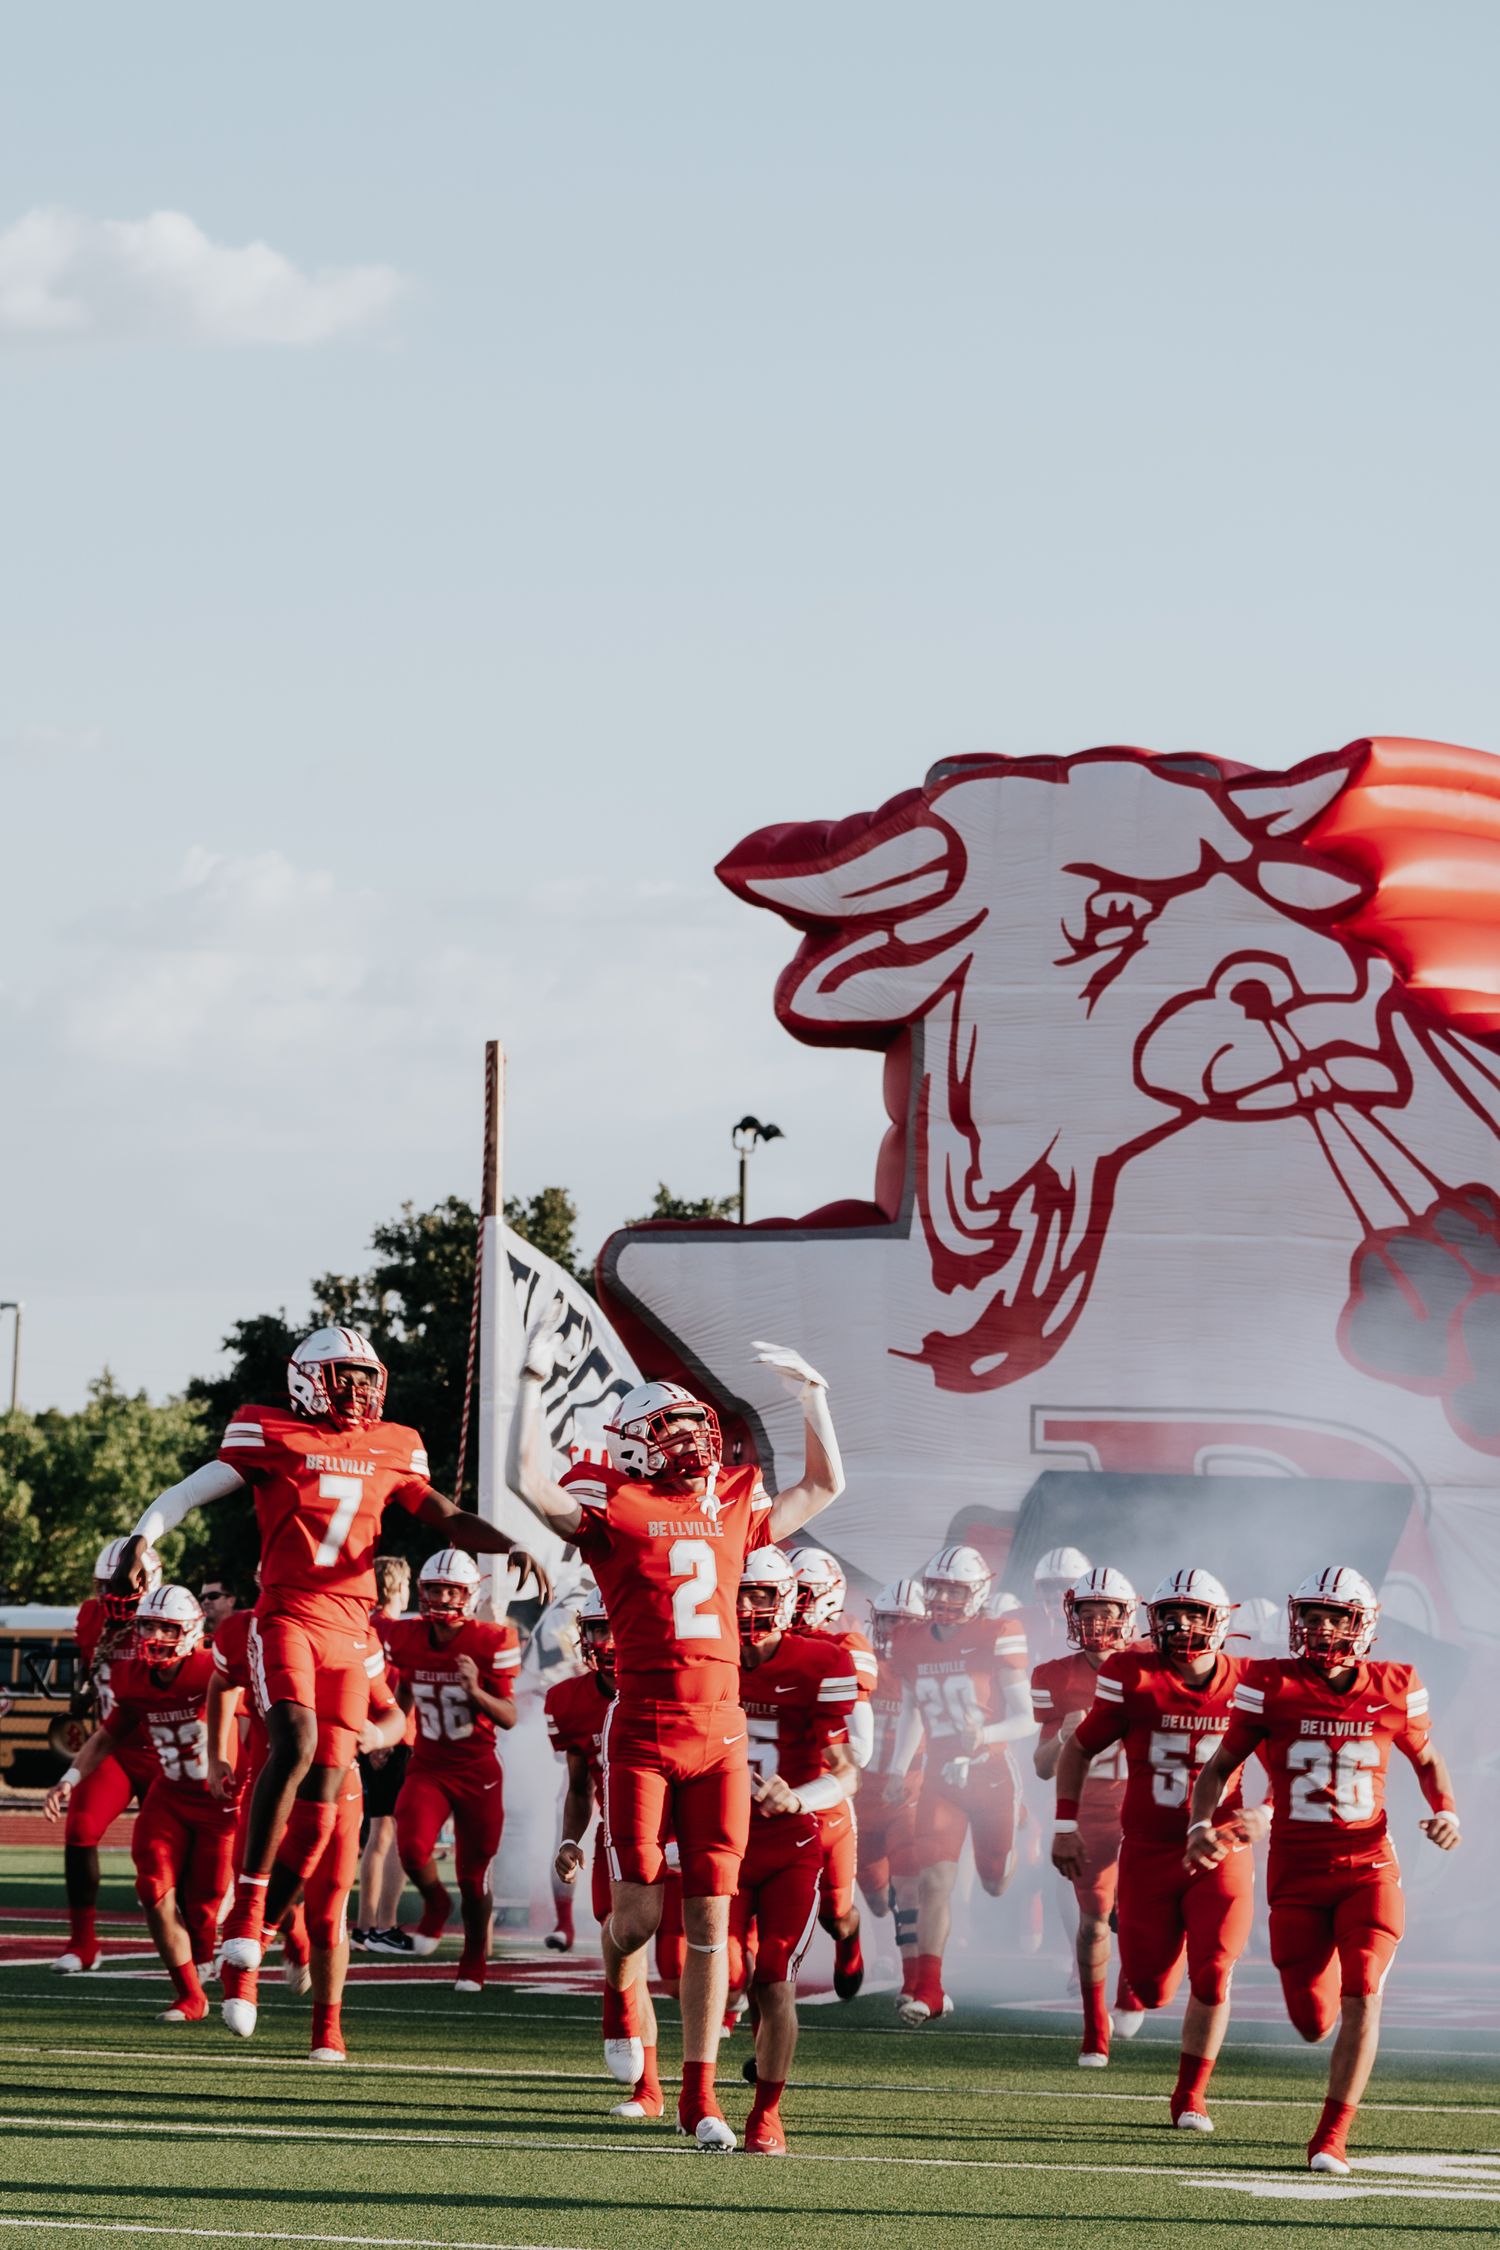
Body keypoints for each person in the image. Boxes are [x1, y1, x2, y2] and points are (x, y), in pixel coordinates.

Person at [109, 1324, 547, 2038]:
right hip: (288, 1612)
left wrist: (510, 1543)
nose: (363, 1390)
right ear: (309, 1379)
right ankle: (250, 1910)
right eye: (349, 1375)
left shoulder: (393, 1445)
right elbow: (188, 1492)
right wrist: (142, 1536)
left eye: (370, 1377)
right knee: (296, 1738)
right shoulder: (270, 1431)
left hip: (351, 1627)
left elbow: (445, 1515)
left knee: (322, 1804)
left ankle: (260, 1934)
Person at [509, 1311, 843, 2152]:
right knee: (635, 1916)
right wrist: (530, 1384)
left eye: (695, 1425)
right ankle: (618, 1987)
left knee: (709, 1925)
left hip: (721, 1730)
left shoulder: (730, 1500)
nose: (691, 1441)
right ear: (631, 1445)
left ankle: (700, 2096)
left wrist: (814, 1400)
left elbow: (823, 1487)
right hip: (645, 1728)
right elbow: (527, 1483)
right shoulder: (614, 1502)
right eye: (669, 1429)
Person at [1188, 1564, 1461, 2175]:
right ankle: (1331, 1975)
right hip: (1297, 1874)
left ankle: (1331, 2137)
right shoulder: (1269, 1683)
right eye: (1312, 1616)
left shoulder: (1395, 1684)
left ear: (1361, 1625)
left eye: (1335, 1618)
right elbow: (1218, 1767)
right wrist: (1200, 1825)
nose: (1321, 1628)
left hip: (1369, 1865)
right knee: (1313, 2021)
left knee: (1364, 1989)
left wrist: (1446, 1812)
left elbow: (1428, 1760)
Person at [1054, 1566, 1263, 2129]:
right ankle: (1152, 1967)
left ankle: (1190, 2095)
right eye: (1171, 1614)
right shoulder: (1132, 1674)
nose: (1182, 1624)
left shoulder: (1249, 1680)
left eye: (1194, 1613)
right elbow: (1078, 1749)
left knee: (1214, 1970)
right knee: (1149, 1985)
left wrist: (1264, 1812)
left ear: (1220, 1622)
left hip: (1220, 1847)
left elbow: (1287, 1759)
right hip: (1148, 1849)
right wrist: (1064, 1823)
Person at [46, 1586, 238, 2025]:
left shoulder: (212, 1670)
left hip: (219, 1801)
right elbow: (108, 1734)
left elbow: (262, 1721)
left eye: (166, 1628)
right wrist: (70, 1779)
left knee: (205, 1907)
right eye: (148, 1626)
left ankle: (289, 1936)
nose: (155, 1636)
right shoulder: (132, 1675)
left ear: (191, 1631)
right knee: (152, 1887)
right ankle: (190, 1995)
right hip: (169, 1795)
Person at [732, 1548, 859, 2154]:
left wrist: (799, 1797)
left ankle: (766, 2112)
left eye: (759, 1594)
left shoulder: (822, 1661)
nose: (746, 1606)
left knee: (774, 1975)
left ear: (786, 1601)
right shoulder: (705, 1656)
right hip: (721, 1838)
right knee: (722, 1973)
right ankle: (695, 2095)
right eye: (739, 1592)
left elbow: (848, 1770)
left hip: (791, 1841)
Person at [884, 1544, 1035, 2025]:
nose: (945, 1598)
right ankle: (930, 1990)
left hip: (992, 1775)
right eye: (938, 1588)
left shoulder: (997, 1634)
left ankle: (1011, 1844)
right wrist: (897, 1768)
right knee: (934, 1882)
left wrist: (984, 1735)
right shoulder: (910, 1638)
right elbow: (911, 1710)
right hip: (941, 1777)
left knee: (994, 1882)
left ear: (979, 1592)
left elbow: (1027, 1718)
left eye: (956, 1590)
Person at [546, 1588, 667, 2120]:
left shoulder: (670, 1685)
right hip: (617, 1834)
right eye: (599, 1629)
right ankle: (650, 2090)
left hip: (679, 1832)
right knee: (627, 1946)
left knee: (685, 1967)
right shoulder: (568, 1699)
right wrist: (569, 1839)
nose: (610, 1641)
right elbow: (579, 1788)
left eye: (619, 1626)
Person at [375, 1548, 521, 1987]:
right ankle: (436, 1903)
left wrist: (475, 1691)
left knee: (473, 1878)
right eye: (435, 1589)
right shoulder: (407, 1637)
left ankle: (474, 1957)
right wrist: (388, 1732)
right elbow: (406, 1689)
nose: (441, 1598)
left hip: (478, 1769)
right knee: (411, 1846)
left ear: (469, 1594)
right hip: (430, 1765)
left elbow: (509, 1716)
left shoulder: (491, 1641)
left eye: (451, 1590)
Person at [1031, 1566, 1142, 2065]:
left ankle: (1131, 1988)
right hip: (1090, 1812)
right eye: (1086, 1612)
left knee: (1140, 1916)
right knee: (1094, 1921)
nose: (1095, 1622)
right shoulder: (1054, 1675)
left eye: (1105, 1612)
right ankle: (1095, 2026)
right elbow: (1042, 1767)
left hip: (1146, 1808)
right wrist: (1062, 1734)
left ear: (1127, 1616)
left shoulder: (1153, 1664)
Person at [54, 1537, 164, 1973]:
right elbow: (89, 1668)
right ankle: (83, 1943)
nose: (111, 1595)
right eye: (104, 1586)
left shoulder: (165, 1618)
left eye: (118, 1585)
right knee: (80, 1829)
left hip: (164, 1749)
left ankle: (204, 1940)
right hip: (110, 1746)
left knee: (164, 1857)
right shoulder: (91, 1615)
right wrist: (82, 1696)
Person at [791, 1545, 877, 1999]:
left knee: (836, 1916)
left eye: (799, 1593)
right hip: (766, 1795)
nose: (786, 1603)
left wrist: (818, 1769)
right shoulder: (754, 1647)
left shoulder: (843, 1648)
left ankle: (850, 1940)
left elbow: (860, 1749)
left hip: (823, 1798)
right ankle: (730, 2008)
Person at [857, 1577, 926, 2003]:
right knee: (878, 1897)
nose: (895, 1630)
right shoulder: (858, 1664)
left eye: (906, 1622)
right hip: (861, 1795)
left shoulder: (932, 1670)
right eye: (888, 1620)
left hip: (909, 1795)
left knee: (908, 1884)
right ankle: (884, 1948)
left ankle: (914, 1978)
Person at [354, 1554, 415, 1952]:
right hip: (394, 1736)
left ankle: (366, 1925)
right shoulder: (394, 1629)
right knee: (388, 1835)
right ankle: (381, 1924)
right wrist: (386, 1737)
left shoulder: (363, 1625)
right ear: (396, 1586)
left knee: (377, 1832)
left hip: (369, 1734)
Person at [198, 1577, 240, 1646]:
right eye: (202, 1598)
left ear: (231, 1601)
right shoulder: (196, 1640)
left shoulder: (247, 1632)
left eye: (213, 1596)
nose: (206, 1602)